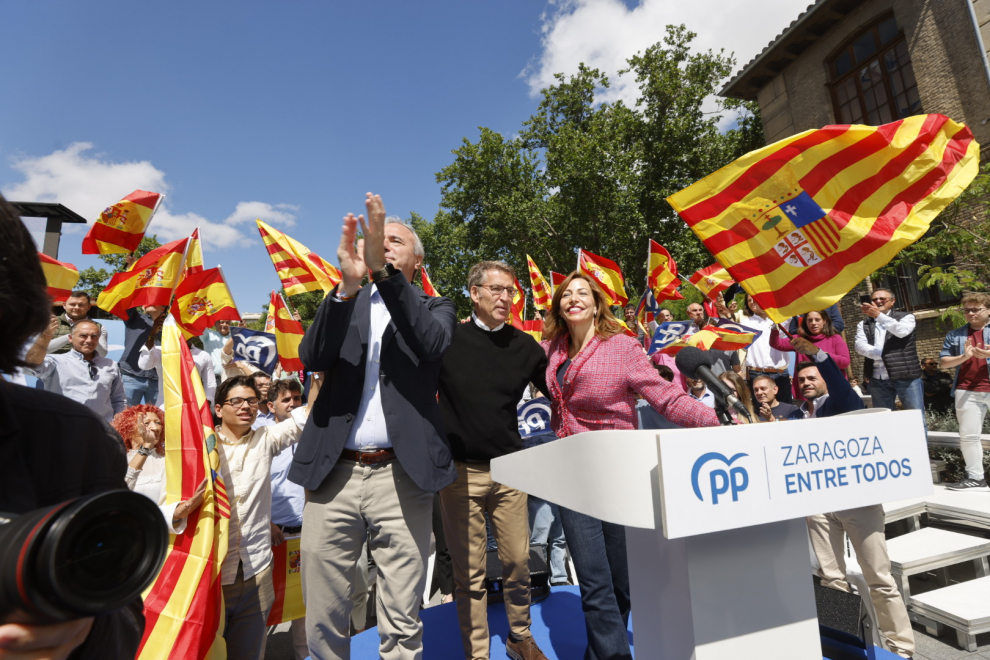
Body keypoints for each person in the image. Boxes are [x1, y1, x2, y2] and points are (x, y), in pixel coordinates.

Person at [289, 194, 457, 660]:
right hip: (334, 476)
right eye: (376, 240)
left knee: (402, 613)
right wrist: (345, 287)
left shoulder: (436, 307)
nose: (382, 246)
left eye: (393, 241)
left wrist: (383, 279)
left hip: (401, 477)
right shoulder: (345, 302)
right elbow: (312, 357)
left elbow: (430, 342)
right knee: (325, 610)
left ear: (417, 259)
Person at [540, 272, 718, 660]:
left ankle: (600, 652)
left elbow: (663, 397)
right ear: (558, 305)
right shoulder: (551, 348)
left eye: (582, 293)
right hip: (572, 474)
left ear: (596, 302)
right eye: (566, 294)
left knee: (623, 582)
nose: (573, 299)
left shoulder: (621, 346)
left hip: (619, 473)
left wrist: (716, 421)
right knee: (593, 581)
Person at [0, 191, 144, 659]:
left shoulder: (67, 439)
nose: (85, 338)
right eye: (77, 334)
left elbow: (121, 611)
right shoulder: (56, 362)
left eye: (90, 334)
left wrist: (77, 625)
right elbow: (39, 367)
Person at [437, 260, 550, 660]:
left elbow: (560, 393)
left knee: (518, 561)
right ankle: (478, 653)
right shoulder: (446, 339)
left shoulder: (525, 348)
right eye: (497, 290)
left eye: (511, 291)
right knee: (469, 574)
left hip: (509, 471)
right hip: (458, 475)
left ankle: (520, 637)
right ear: (475, 293)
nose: (505, 298)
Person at [783, 336, 915, 659]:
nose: (806, 382)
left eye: (812, 376)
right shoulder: (795, 417)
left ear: (826, 379)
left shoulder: (842, 403)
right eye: (801, 379)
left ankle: (902, 650)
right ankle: (846, 646)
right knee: (831, 579)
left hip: (858, 503)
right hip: (818, 505)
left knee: (879, 579)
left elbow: (844, 392)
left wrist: (817, 354)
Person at [214, 374, 310, 660]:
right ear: (219, 409)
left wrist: (318, 372)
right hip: (215, 574)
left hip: (257, 569)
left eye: (252, 401)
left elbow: (305, 418)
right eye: (237, 401)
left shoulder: (265, 439)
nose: (246, 406)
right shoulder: (202, 448)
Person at [263, 379, 309, 660]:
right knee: (265, 608)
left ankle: (303, 656)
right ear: (271, 406)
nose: (293, 404)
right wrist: (266, 523)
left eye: (297, 398)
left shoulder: (314, 435)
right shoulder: (261, 439)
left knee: (306, 605)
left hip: (309, 533)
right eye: (285, 400)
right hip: (274, 537)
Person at [113, 404, 207, 531]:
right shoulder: (116, 460)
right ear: (128, 429)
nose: (155, 427)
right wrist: (146, 447)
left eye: (158, 422)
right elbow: (118, 494)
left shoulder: (169, 461)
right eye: (146, 423)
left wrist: (178, 513)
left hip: (160, 535)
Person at [24, 318, 127, 422]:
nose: (89, 340)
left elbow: (119, 400)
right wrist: (44, 338)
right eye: (83, 336)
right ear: (70, 338)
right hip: (64, 428)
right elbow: (31, 365)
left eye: (94, 336)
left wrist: (118, 423)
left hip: (102, 429)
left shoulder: (111, 365)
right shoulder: (56, 362)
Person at [939, 292, 990, 492]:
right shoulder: (956, 335)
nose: (970, 313)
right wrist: (964, 356)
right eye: (967, 310)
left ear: (988, 310)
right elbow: (943, 362)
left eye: (975, 309)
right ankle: (976, 479)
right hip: (966, 390)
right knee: (968, 436)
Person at [855, 289, 924, 419]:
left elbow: (901, 331)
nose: (878, 301)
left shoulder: (906, 317)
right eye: (875, 299)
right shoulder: (863, 324)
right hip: (877, 378)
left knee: (915, 417)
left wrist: (879, 316)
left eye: (882, 299)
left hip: (905, 376)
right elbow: (859, 346)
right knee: (884, 419)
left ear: (892, 301)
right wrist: (882, 354)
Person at [769, 310, 850, 399]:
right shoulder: (799, 339)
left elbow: (845, 362)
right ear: (805, 322)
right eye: (810, 320)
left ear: (825, 321)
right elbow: (776, 343)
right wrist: (775, 326)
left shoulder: (835, 338)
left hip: (832, 390)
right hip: (807, 391)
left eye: (817, 320)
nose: (813, 323)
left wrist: (821, 354)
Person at [137, 337, 217, 408]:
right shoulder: (161, 351)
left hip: (193, 409)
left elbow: (210, 384)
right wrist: (152, 335)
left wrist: (206, 404)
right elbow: (144, 365)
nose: (184, 334)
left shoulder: (203, 355)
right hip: (165, 407)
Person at [742, 294, 791, 402]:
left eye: (754, 299)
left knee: (785, 409)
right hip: (757, 372)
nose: (751, 302)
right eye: (749, 300)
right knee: (761, 412)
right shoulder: (746, 323)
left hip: (780, 372)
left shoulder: (779, 319)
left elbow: (789, 312)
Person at [119, 305, 167, 406]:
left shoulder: (169, 325)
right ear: (142, 307)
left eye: (156, 300)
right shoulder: (134, 318)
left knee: (157, 418)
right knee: (126, 418)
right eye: (147, 300)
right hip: (131, 377)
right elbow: (125, 300)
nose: (151, 302)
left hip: (158, 380)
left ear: (163, 308)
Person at [46, 291, 109, 357]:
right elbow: (40, 350)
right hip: (54, 364)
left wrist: (92, 338)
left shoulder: (98, 327)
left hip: (85, 365)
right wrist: (70, 337)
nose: (76, 307)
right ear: (64, 305)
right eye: (72, 304)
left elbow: (102, 354)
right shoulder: (49, 323)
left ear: (89, 307)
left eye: (81, 305)